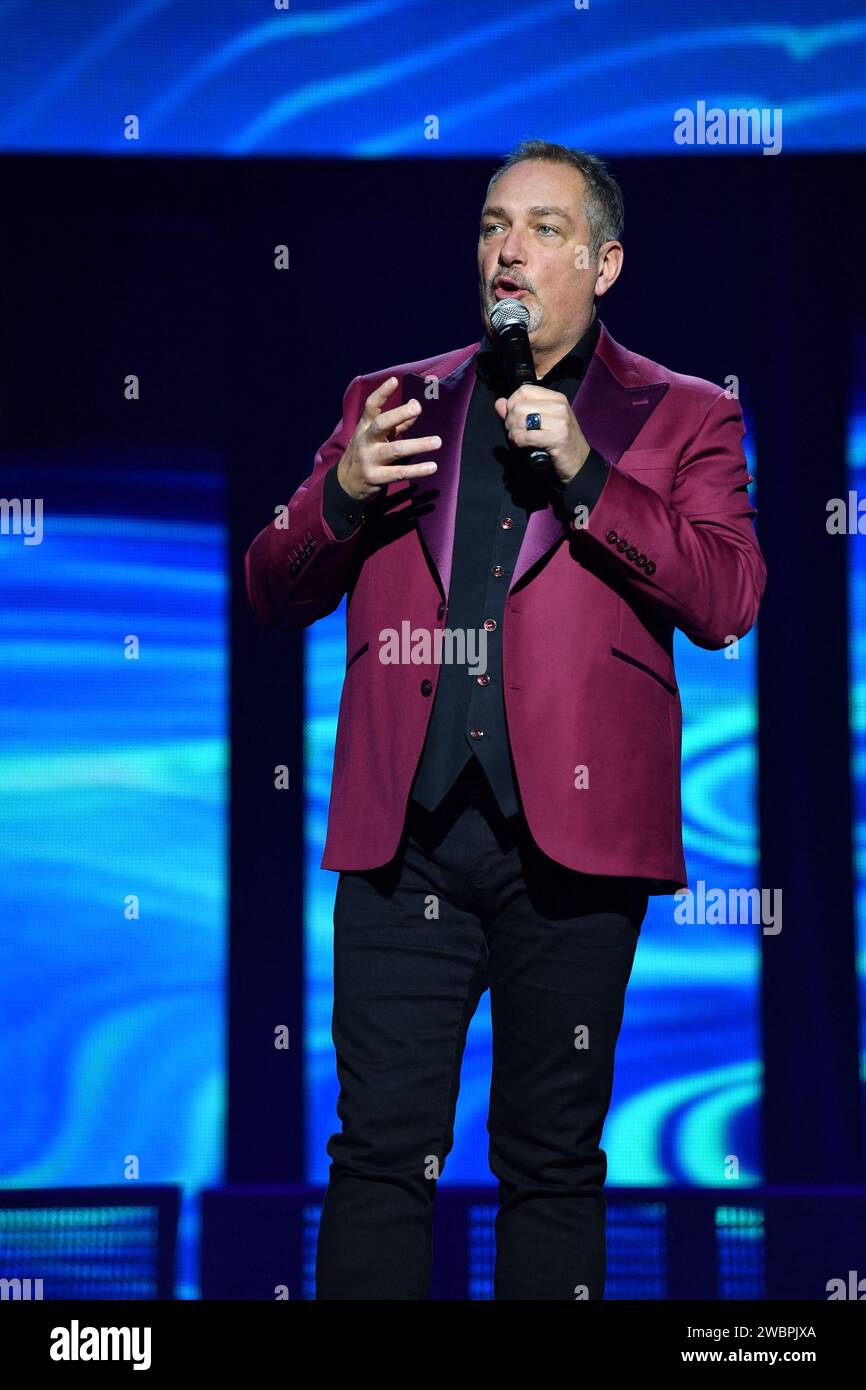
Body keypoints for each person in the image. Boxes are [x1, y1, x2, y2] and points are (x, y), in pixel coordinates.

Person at [244, 138, 767, 1300]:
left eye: (538, 226)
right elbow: (271, 587)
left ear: (604, 260)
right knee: (378, 1156)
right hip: (404, 844)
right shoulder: (393, 402)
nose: (506, 251)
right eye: (490, 225)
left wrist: (585, 471)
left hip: (573, 858)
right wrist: (337, 495)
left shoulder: (681, 416)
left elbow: (729, 597)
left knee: (549, 1164)